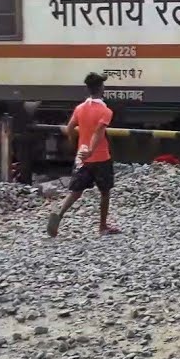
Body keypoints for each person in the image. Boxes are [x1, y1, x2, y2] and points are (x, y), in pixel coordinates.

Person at [47, 72, 122, 237]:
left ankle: (58, 216)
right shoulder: (105, 111)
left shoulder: (79, 108)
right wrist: (91, 150)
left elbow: (69, 128)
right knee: (105, 192)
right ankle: (102, 226)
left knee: (76, 191)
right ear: (101, 88)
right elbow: (98, 133)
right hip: (101, 157)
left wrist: (77, 145)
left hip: (82, 157)